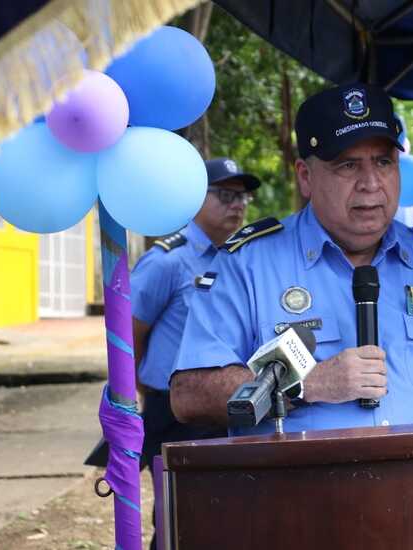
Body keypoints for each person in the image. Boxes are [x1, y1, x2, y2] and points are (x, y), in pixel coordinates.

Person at [170, 84, 413, 435]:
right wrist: (305, 383)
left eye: (383, 162)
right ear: (306, 176)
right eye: (347, 164)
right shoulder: (248, 265)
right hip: (302, 503)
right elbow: (190, 393)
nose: (371, 183)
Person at [131, 157, 260, 548]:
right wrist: (144, 385)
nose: (237, 205)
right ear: (194, 199)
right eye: (225, 195)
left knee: (226, 514)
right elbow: (131, 330)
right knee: (175, 516)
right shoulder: (169, 260)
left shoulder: (243, 259)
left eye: (242, 197)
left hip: (227, 405)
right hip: (173, 412)